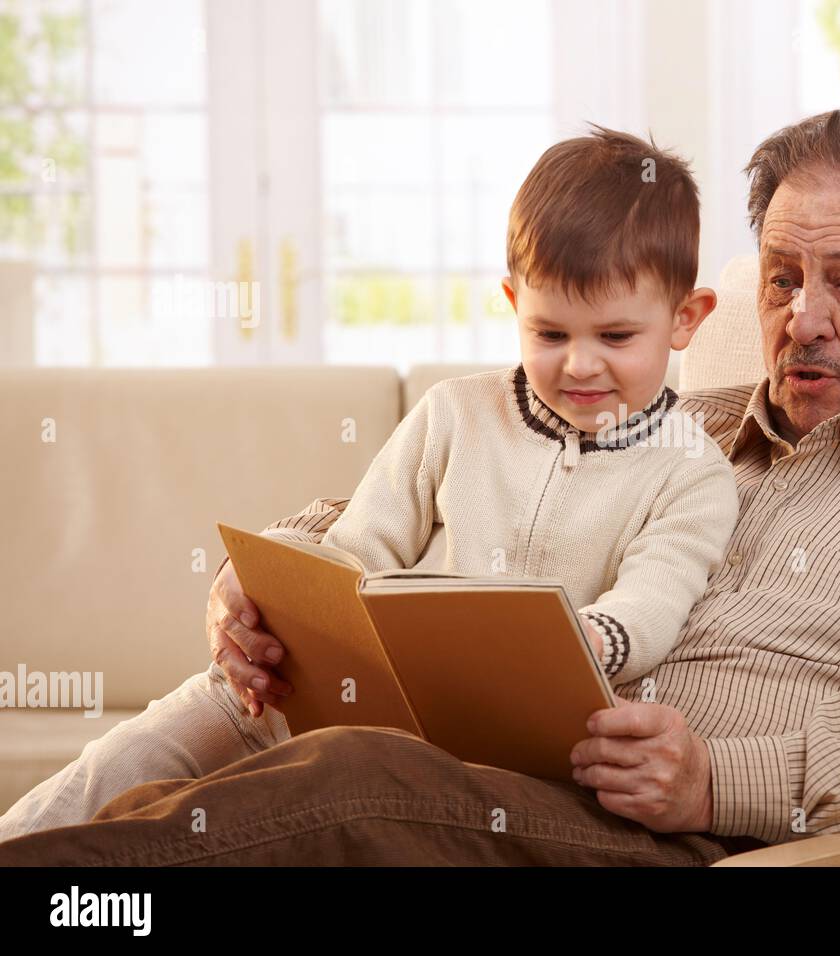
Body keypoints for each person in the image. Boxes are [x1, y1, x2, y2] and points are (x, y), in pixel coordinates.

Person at [0, 110, 840, 865]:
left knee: (350, 781)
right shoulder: (691, 419)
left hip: (665, 837)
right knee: (188, 774)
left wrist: (722, 778)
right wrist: (265, 584)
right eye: (780, 277)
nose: (802, 316)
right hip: (491, 772)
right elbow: (393, 511)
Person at [0, 125, 739, 839]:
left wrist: (547, 644)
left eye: (614, 337)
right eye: (550, 333)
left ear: (685, 319)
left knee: (226, 828)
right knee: (127, 762)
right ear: (514, 305)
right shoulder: (455, 412)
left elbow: (648, 609)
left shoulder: (692, 472)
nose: (579, 365)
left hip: (455, 757)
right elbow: (360, 549)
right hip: (314, 701)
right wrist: (279, 601)